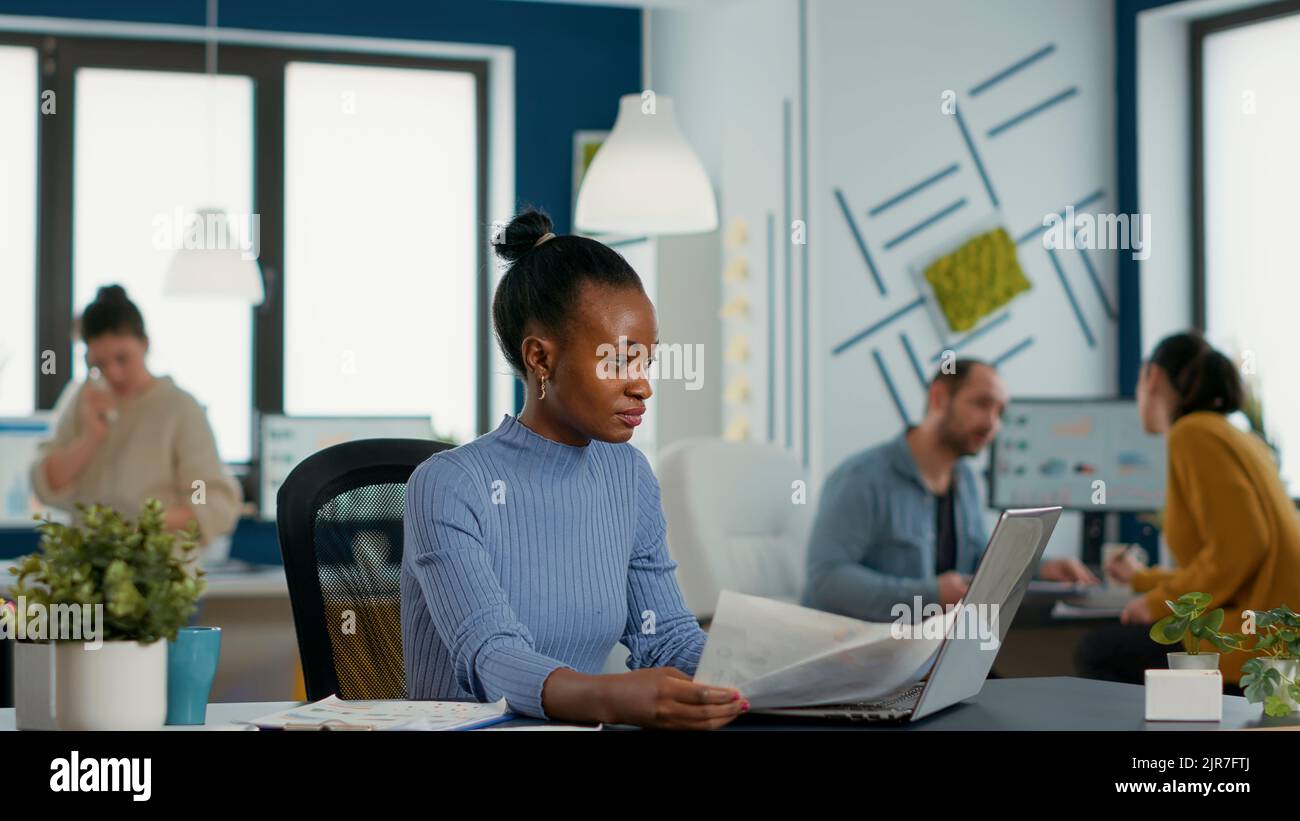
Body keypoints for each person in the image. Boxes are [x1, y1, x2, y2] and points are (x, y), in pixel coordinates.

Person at [400, 209, 745, 729]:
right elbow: (491, 658)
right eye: (618, 361)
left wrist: (779, 674)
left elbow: (666, 637)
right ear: (540, 358)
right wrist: (613, 697)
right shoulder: (449, 485)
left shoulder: (628, 476)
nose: (642, 385)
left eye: (647, 362)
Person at [1079, 332, 1300, 688]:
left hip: (1255, 643)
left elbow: (1241, 548)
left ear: (1152, 377)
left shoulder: (1192, 433)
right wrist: (1143, 580)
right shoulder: (1237, 436)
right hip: (1278, 633)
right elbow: (1225, 563)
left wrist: (1159, 603)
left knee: (1099, 651)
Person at [803, 358, 1096, 622]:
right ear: (939, 398)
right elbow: (826, 581)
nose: (992, 423)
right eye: (982, 404)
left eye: (1000, 412)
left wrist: (1039, 569)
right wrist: (930, 595)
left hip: (932, 651)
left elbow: (976, 561)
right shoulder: (861, 478)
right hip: (865, 659)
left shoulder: (965, 480)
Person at [30, 285, 242, 547]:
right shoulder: (81, 401)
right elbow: (45, 483)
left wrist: (141, 524)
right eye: (99, 364)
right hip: (87, 570)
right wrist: (90, 437)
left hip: (158, 573)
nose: (114, 373)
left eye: (122, 359)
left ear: (145, 344)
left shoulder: (179, 408)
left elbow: (214, 503)